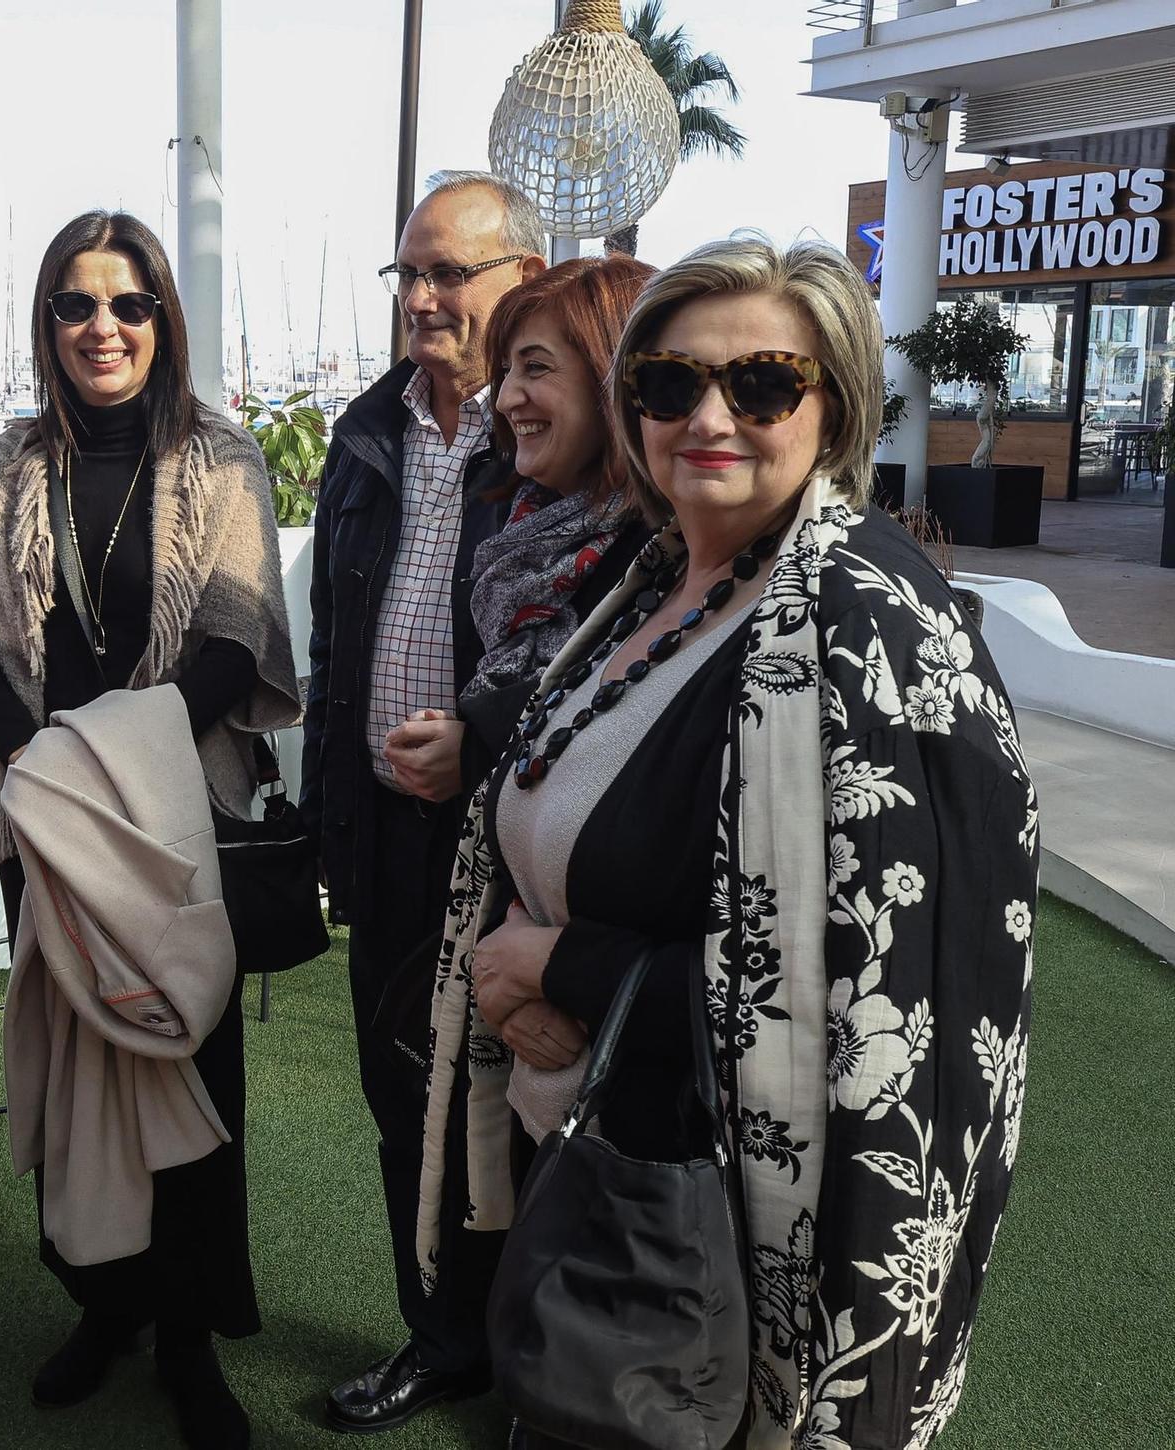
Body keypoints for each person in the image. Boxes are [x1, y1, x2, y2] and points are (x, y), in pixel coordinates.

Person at [418, 236, 1038, 1448]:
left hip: (731, 1253)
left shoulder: (862, 630)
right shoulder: (652, 582)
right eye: (666, 383)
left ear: (833, 407)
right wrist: (524, 955)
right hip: (600, 1177)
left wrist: (552, 972)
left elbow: (873, 1011)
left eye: (759, 384)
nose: (707, 415)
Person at [0, 210, 298, 1450]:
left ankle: (188, 1342)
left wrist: (104, 754)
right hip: (48, 813)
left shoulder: (223, 461)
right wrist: (38, 755)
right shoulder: (8, 469)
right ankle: (103, 1302)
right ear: (47, 325)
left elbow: (234, 638)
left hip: (167, 819)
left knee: (182, 1068)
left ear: (162, 321)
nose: (102, 326)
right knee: (65, 1055)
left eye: (127, 303)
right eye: (75, 305)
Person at [300, 169, 543, 1434]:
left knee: (521, 1098)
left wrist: (483, 737)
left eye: (449, 271)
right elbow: (332, 645)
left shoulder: (556, 434)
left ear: (521, 276)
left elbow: (591, 642)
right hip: (386, 837)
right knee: (404, 1094)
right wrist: (326, 826)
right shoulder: (366, 429)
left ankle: (529, 1358)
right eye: (409, 272)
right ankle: (438, 1338)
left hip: (513, 841)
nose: (422, 297)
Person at [458, 254, 660, 763]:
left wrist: (474, 751)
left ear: (612, 378)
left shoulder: (672, 551)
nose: (504, 398)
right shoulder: (517, 518)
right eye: (506, 371)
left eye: (535, 367)